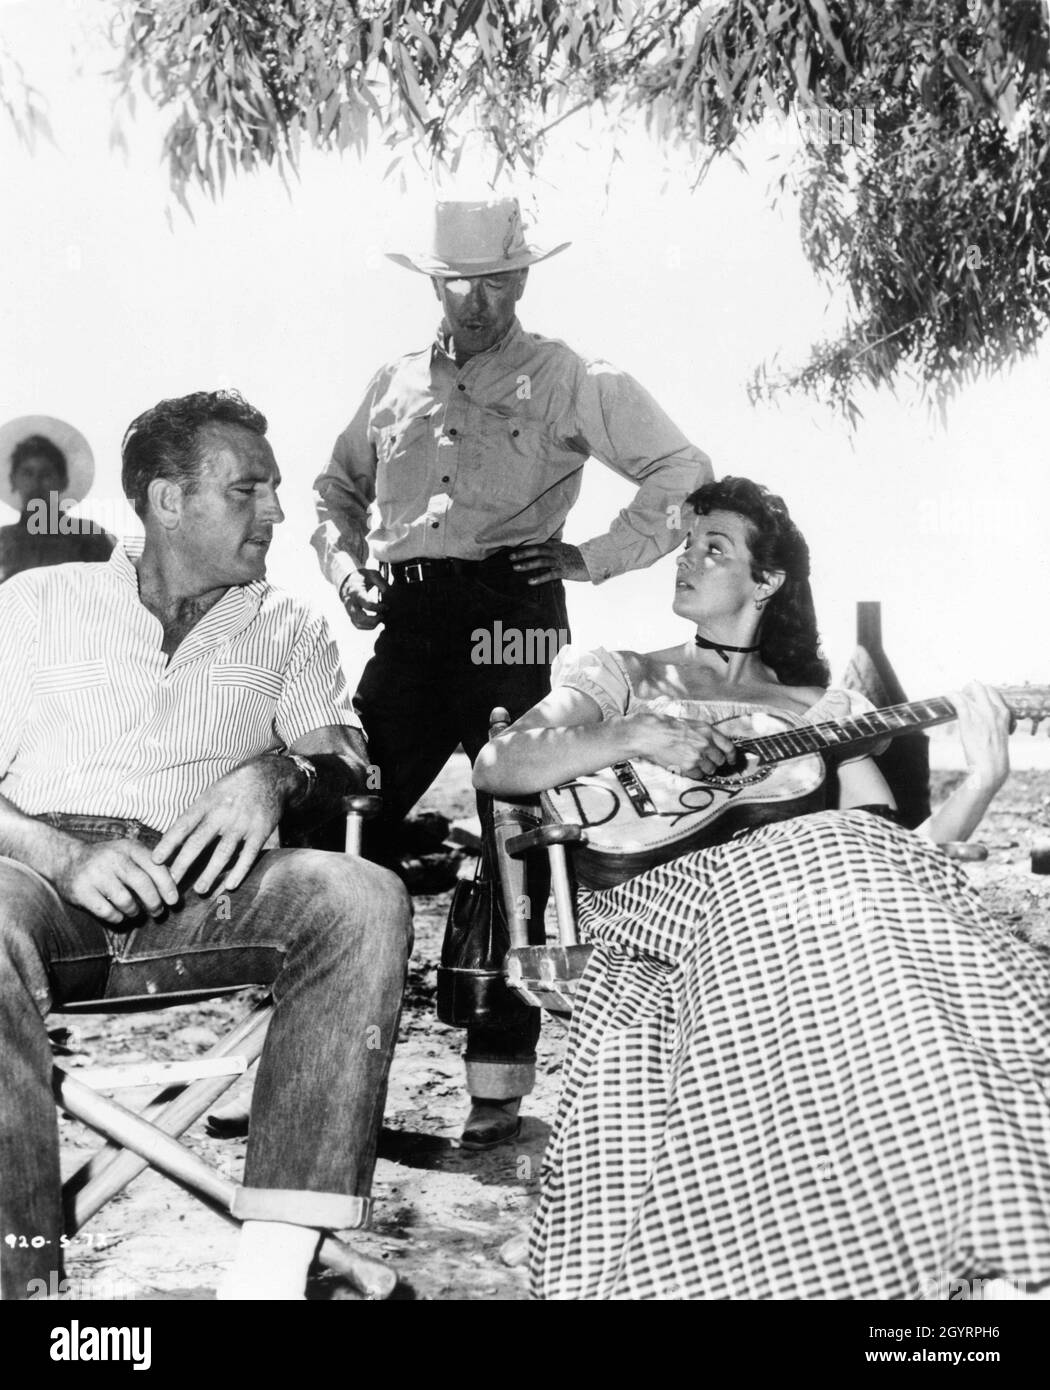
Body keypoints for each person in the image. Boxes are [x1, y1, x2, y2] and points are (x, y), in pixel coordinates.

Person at [474, 476, 1050, 1300]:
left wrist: (985, 778)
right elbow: (503, 765)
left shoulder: (820, 705)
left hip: (793, 906)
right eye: (686, 544)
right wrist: (637, 733)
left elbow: (893, 861)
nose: (688, 559)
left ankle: (981, 1222)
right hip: (646, 897)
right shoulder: (622, 672)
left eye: (715, 547)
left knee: (871, 886)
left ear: (768, 581)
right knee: (823, 856)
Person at [312, 196, 713, 1148]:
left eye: (497, 279)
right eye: (460, 281)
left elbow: (681, 470)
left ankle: (498, 1098)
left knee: (517, 844)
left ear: (524, 279)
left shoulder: (567, 373)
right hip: (407, 627)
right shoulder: (392, 380)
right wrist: (345, 570)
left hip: (512, 621)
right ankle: (305, 1079)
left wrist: (596, 556)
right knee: (341, 822)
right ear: (434, 282)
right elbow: (334, 490)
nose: (478, 300)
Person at [0, 390, 411, 1301]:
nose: (275, 511)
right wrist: (62, 856)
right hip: (33, 883)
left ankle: (269, 1275)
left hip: (203, 893)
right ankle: (22, 1284)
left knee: (362, 896)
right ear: (166, 500)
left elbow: (350, 763)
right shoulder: (36, 604)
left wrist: (277, 776)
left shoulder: (287, 627)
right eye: (249, 489)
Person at [0, 417, 114, 581]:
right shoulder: (4, 541)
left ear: (62, 481)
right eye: (27, 473)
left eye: (46, 474)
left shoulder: (88, 537)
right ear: (13, 480)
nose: (36, 482)